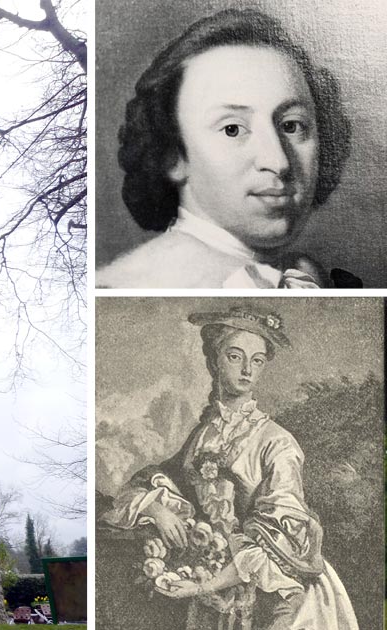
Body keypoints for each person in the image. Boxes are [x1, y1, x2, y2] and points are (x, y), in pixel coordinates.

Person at [101, 306, 357, 629]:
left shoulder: (278, 443)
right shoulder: (203, 436)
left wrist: (204, 585)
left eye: (258, 360)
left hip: (278, 589)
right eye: (236, 357)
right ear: (215, 361)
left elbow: (278, 544)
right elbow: (158, 479)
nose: (247, 369)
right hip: (212, 586)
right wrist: (156, 509)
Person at [96, 9, 357, 288]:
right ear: (172, 154)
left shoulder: (304, 275)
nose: (278, 162)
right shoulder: (128, 288)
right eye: (232, 129)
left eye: (291, 126)